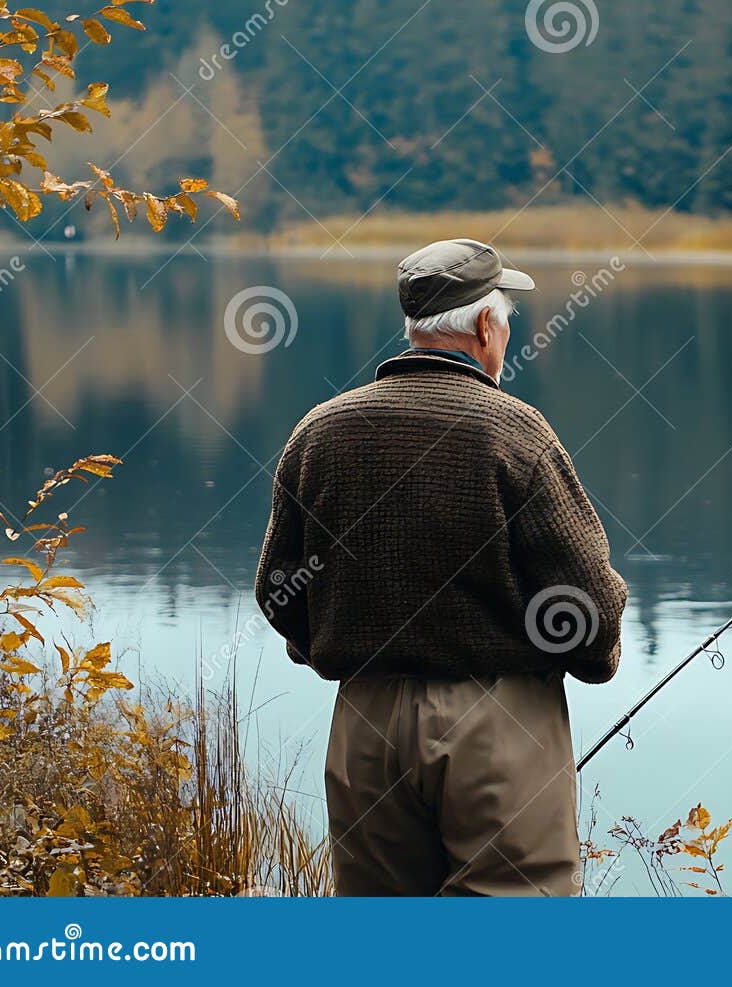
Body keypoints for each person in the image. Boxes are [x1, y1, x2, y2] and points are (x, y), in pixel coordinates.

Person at [254, 238, 627, 896]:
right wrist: (596, 658)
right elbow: (588, 603)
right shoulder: (515, 432)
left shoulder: (321, 431)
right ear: (485, 326)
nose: (505, 335)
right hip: (497, 723)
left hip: (364, 724)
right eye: (506, 321)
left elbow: (279, 590)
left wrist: (331, 644)